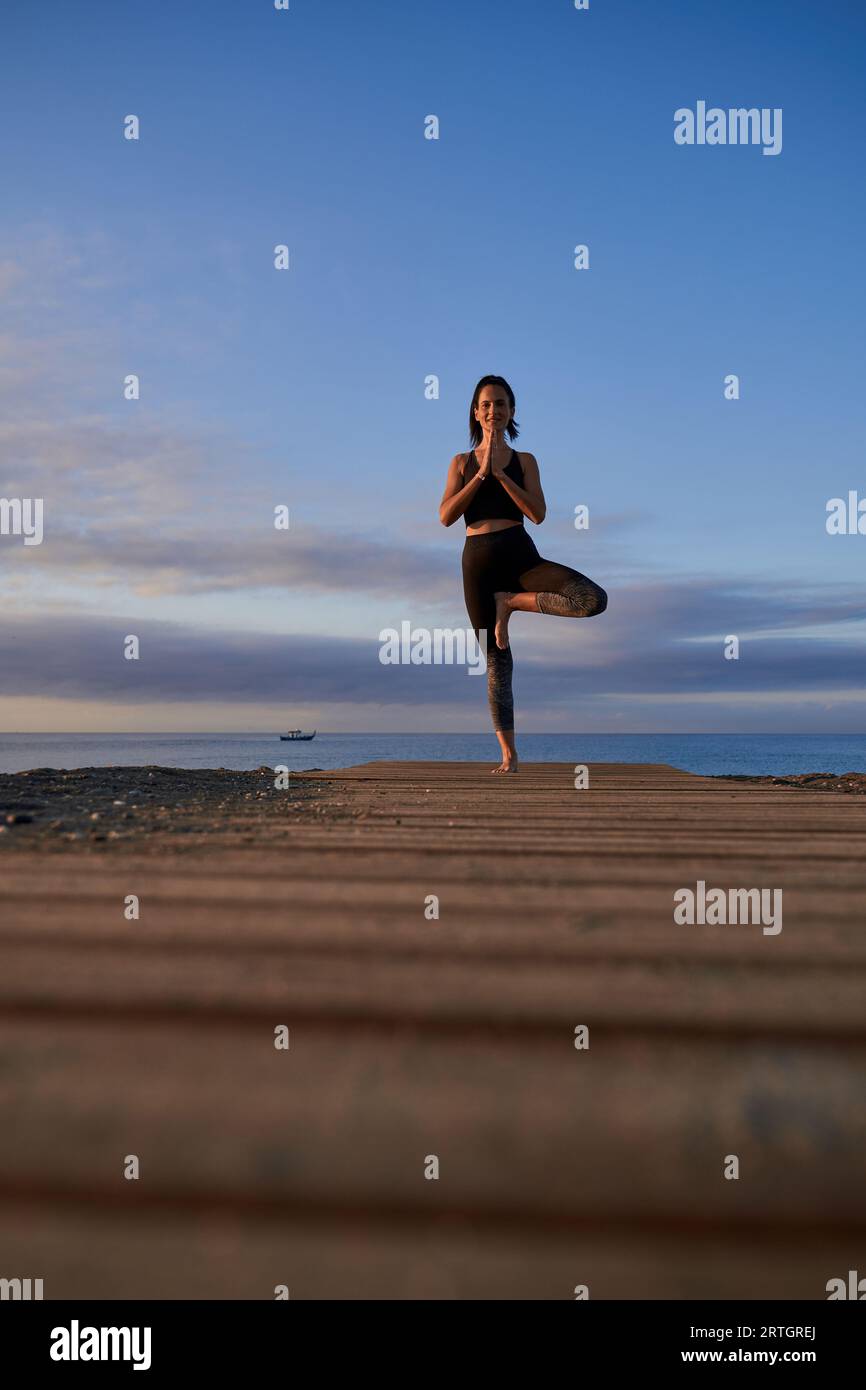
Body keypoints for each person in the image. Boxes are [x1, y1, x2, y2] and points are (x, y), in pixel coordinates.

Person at [439, 375, 608, 773]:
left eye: (500, 403)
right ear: (476, 413)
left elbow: (538, 514)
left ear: (511, 412)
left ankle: (511, 602)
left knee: (591, 599)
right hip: (477, 563)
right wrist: (481, 473)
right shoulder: (460, 463)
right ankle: (509, 755)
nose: (493, 410)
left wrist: (501, 475)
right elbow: (446, 516)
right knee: (498, 661)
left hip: (521, 556)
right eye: (485, 404)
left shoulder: (525, 461)